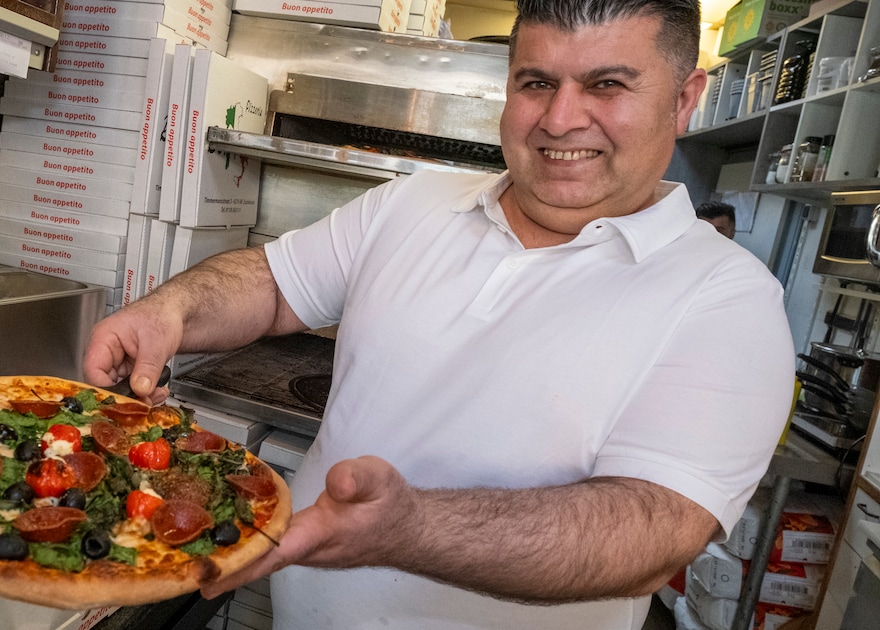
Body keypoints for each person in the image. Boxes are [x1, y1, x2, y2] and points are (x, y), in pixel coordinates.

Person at [82, 1, 795, 627]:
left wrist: (409, 528)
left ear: (683, 98)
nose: (560, 118)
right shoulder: (415, 202)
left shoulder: (728, 299)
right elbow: (272, 286)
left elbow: (652, 530)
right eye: (536, 82)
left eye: (607, 84)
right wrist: (170, 309)